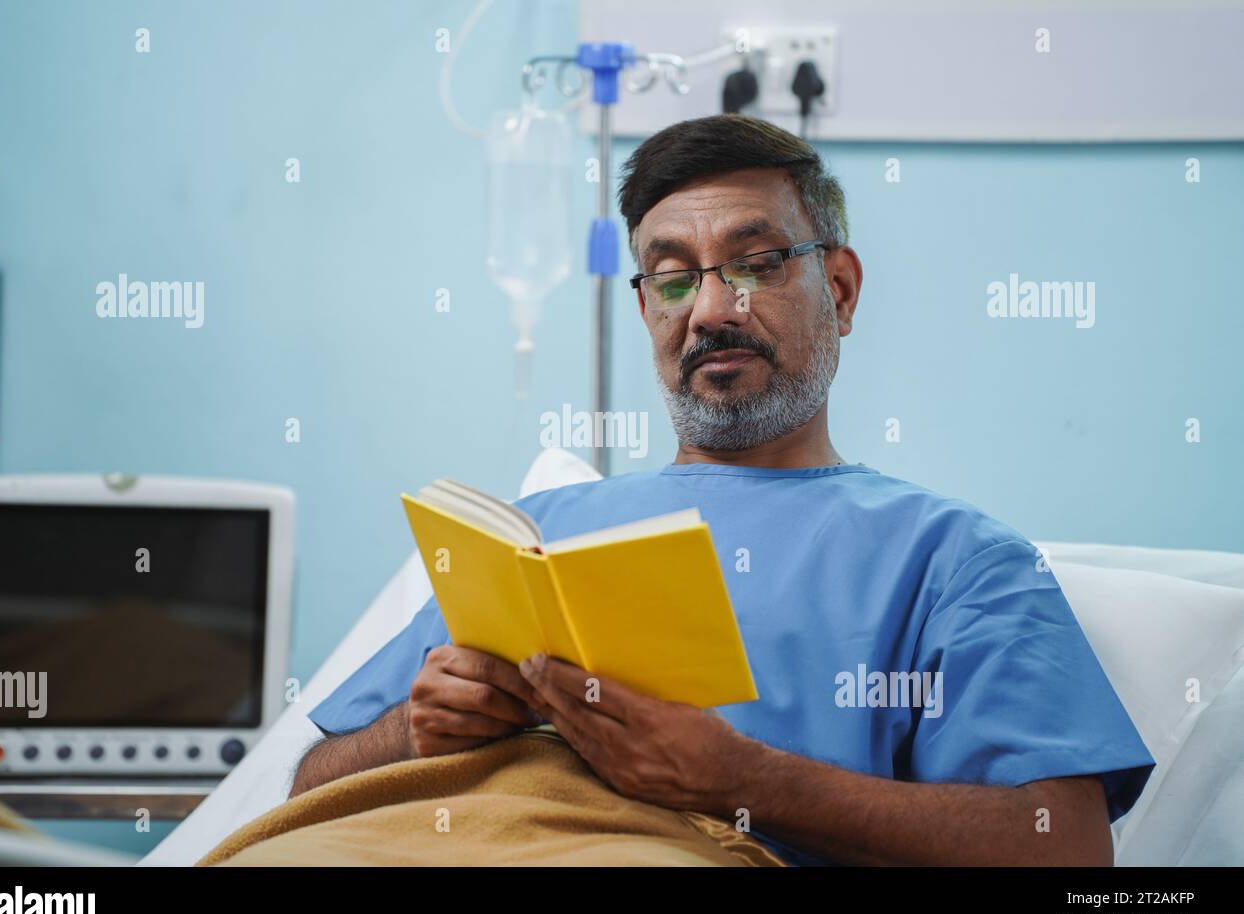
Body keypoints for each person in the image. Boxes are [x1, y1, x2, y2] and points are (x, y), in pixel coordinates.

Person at [294, 114, 1154, 866]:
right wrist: (410, 732)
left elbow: (1064, 845)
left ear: (841, 290)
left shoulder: (951, 560)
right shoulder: (533, 536)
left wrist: (740, 780)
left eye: (754, 263)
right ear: (647, 312)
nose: (709, 311)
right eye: (672, 276)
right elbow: (305, 786)